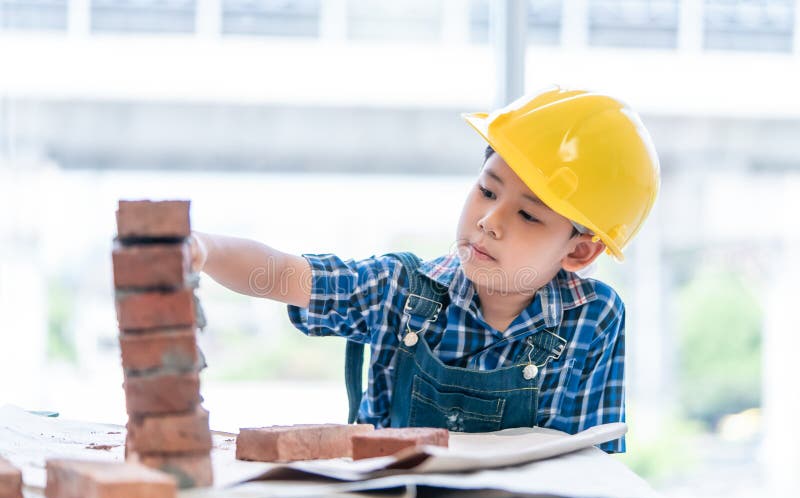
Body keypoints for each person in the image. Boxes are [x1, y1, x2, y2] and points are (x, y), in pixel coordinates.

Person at [190, 86, 660, 453]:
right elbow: (282, 275)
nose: (489, 222)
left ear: (579, 252)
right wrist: (203, 248)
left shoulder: (593, 317)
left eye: (529, 215)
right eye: (488, 191)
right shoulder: (398, 291)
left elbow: (585, 462)